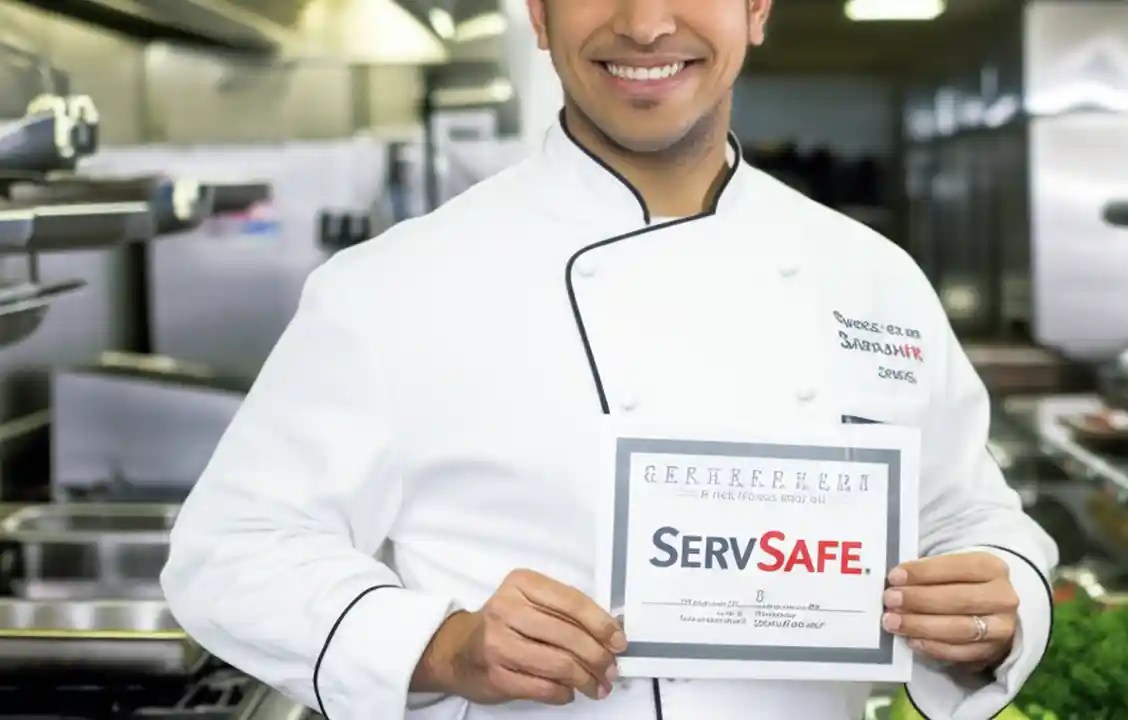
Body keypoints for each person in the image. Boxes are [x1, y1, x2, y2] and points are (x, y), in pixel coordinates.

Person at [160, 1, 1059, 718]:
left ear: (756, 7)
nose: (644, 23)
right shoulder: (395, 285)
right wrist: (440, 646)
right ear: (539, 16)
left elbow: (973, 515)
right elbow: (229, 551)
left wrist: (993, 597)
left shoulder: (869, 276)